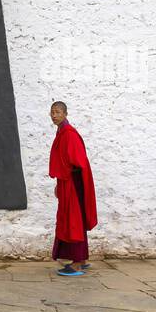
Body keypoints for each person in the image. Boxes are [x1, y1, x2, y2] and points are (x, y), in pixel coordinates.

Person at [49, 101, 97, 275]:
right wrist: (59, 182)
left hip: (73, 183)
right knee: (70, 220)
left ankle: (77, 263)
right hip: (67, 181)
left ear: (65, 113)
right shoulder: (61, 131)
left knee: (74, 221)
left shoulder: (69, 133)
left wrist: (65, 178)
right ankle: (81, 259)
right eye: (52, 112)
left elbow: (77, 161)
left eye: (58, 112)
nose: (54, 115)